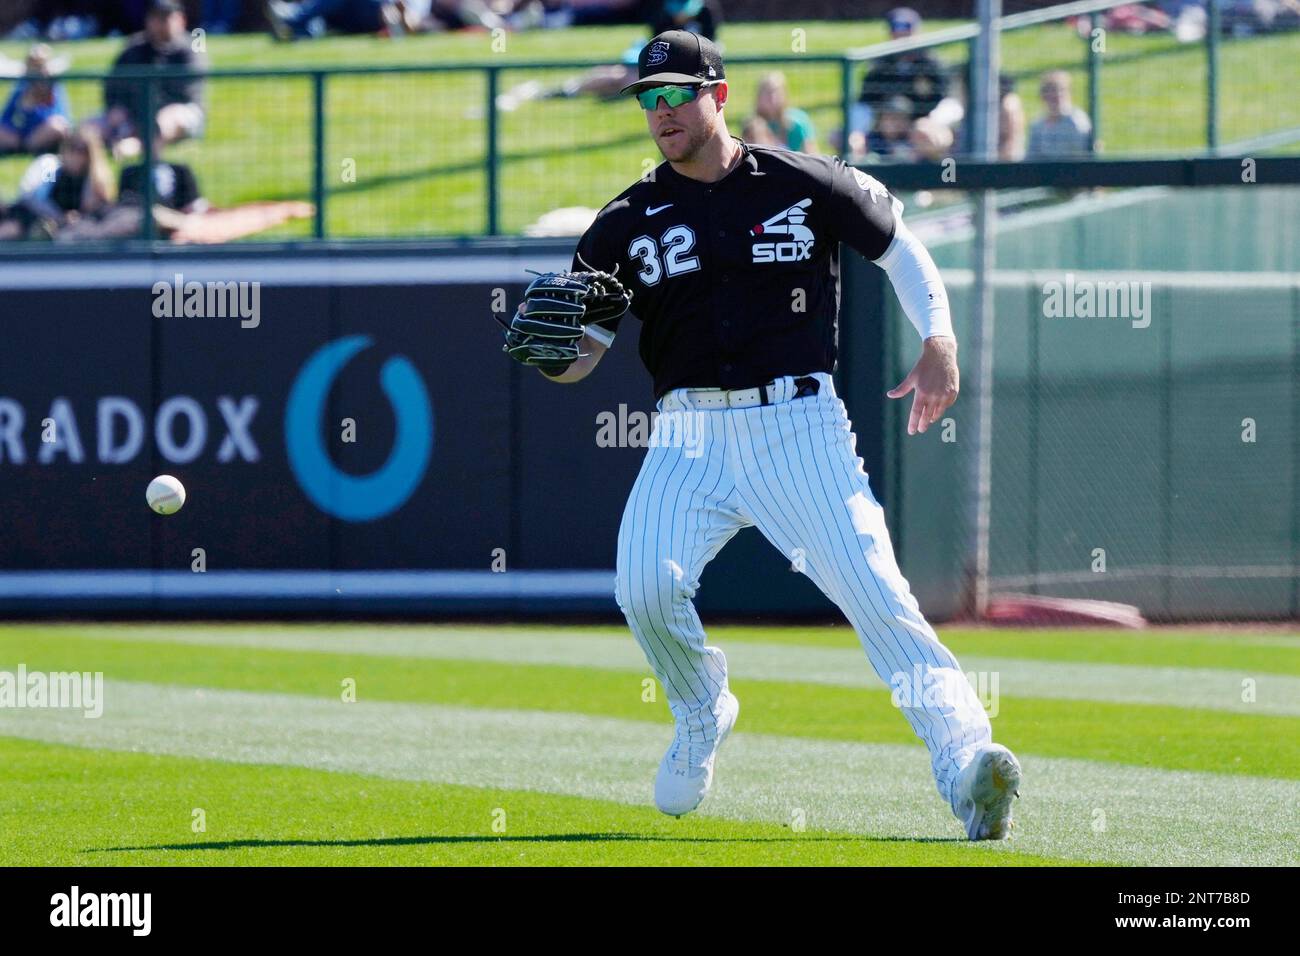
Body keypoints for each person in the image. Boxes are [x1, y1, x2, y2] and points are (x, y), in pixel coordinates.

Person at [495, 30, 1022, 840]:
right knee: (642, 585)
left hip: (798, 424)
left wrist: (939, 336)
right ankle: (702, 708)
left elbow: (899, 246)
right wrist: (554, 358)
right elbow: (585, 358)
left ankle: (966, 765)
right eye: (648, 98)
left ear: (719, 95)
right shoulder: (623, 222)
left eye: (677, 93)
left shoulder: (800, 180)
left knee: (879, 599)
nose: (662, 111)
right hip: (687, 435)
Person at [97, 0, 207, 161]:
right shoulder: (134, 47)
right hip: (133, 113)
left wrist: (147, 111)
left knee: (166, 117)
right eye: (156, 18)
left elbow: (184, 94)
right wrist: (116, 108)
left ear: (181, 20)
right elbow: (112, 86)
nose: (161, 24)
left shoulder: (189, 49)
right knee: (91, 125)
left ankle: (135, 147)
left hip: (180, 113)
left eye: (166, 18)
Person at [0, 125, 115, 240]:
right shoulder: (52, 168)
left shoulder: (92, 178)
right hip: (33, 218)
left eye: (82, 151)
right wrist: (59, 217)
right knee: (13, 228)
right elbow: (37, 196)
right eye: (71, 147)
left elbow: (93, 208)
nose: (75, 155)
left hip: (69, 229)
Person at [0, 44, 71, 156]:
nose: (36, 70)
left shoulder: (53, 87)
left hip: (42, 132)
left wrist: (35, 107)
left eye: (40, 65)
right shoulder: (21, 87)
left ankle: (24, 148)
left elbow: (58, 119)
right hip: (20, 134)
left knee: (56, 127)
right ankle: (20, 147)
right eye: (32, 65)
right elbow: (5, 119)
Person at [741, 71, 818, 154]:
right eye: (767, 93)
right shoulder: (753, 127)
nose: (772, 98)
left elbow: (811, 155)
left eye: (776, 92)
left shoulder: (798, 123)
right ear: (759, 97)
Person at [1026, 70, 1092, 158]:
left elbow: (1080, 155)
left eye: (1062, 90)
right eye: (1051, 91)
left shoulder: (1076, 121)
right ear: (1042, 96)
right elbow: (1031, 158)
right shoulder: (1037, 125)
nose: (1057, 95)